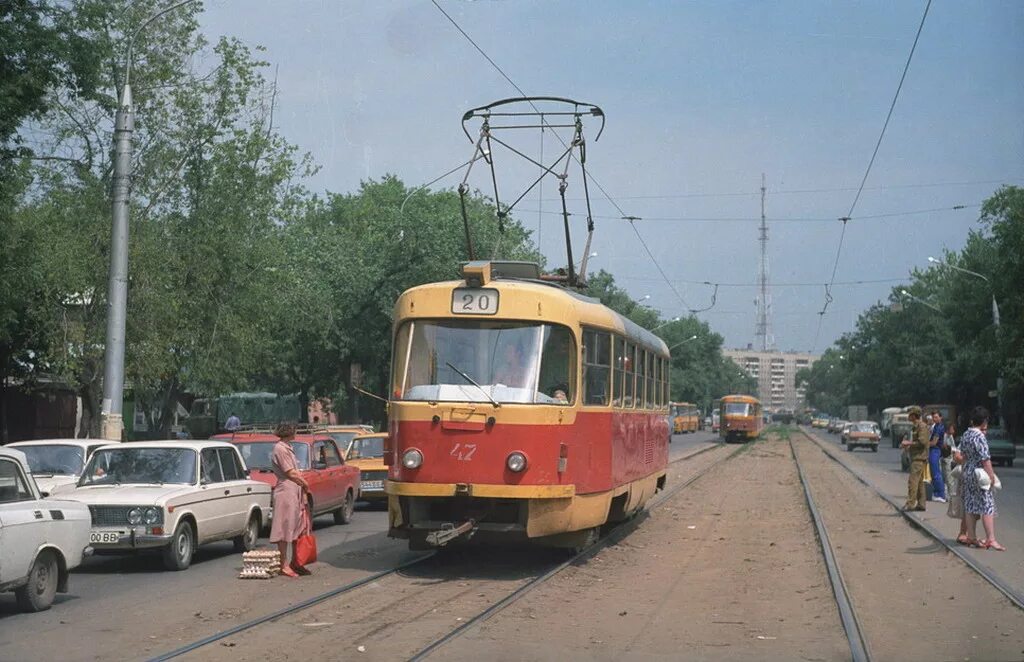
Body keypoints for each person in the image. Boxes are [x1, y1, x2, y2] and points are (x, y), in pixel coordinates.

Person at [958, 407, 1005, 551]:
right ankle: (991, 539)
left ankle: (971, 537)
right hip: (980, 474)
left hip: (968, 471)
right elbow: (985, 459)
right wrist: (991, 476)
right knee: (987, 505)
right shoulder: (980, 437)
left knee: (970, 505)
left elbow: (963, 456)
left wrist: (965, 470)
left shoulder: (966, 434)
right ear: (984, 422)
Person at [270, 422, 312, 576]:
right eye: (294, 430)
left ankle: (296, 561)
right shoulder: (280, 448)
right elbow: (290, 472)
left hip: (294, 490)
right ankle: (284, 564)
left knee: (297, 527)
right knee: (285, 526)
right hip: (286, 490)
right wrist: (305, 484)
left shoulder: (288, 447)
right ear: (289, 432)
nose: (296, 433)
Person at [900, 406, 929, 512]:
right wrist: (908, 446)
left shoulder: (922, 426)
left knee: (913, 481)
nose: (908, 416)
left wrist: (909, 443)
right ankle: (921, 504)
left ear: (914, 415)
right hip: (916, 457)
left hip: (919, 458)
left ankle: (910, 504)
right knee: (920, 482)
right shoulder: (915, 427)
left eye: (910, 414)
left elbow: (923, 442)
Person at [927, 410, 947, 503]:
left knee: (936, 472)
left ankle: (940, 494)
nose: (934, 419)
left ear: (940, 417)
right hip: (933, 450)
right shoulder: (935, 426)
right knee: (933, 471)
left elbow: (934, 442)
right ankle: (937, 492)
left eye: (936, 417)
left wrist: (924, 444)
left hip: (935, 450)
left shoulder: (939, 427)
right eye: (933, 417)